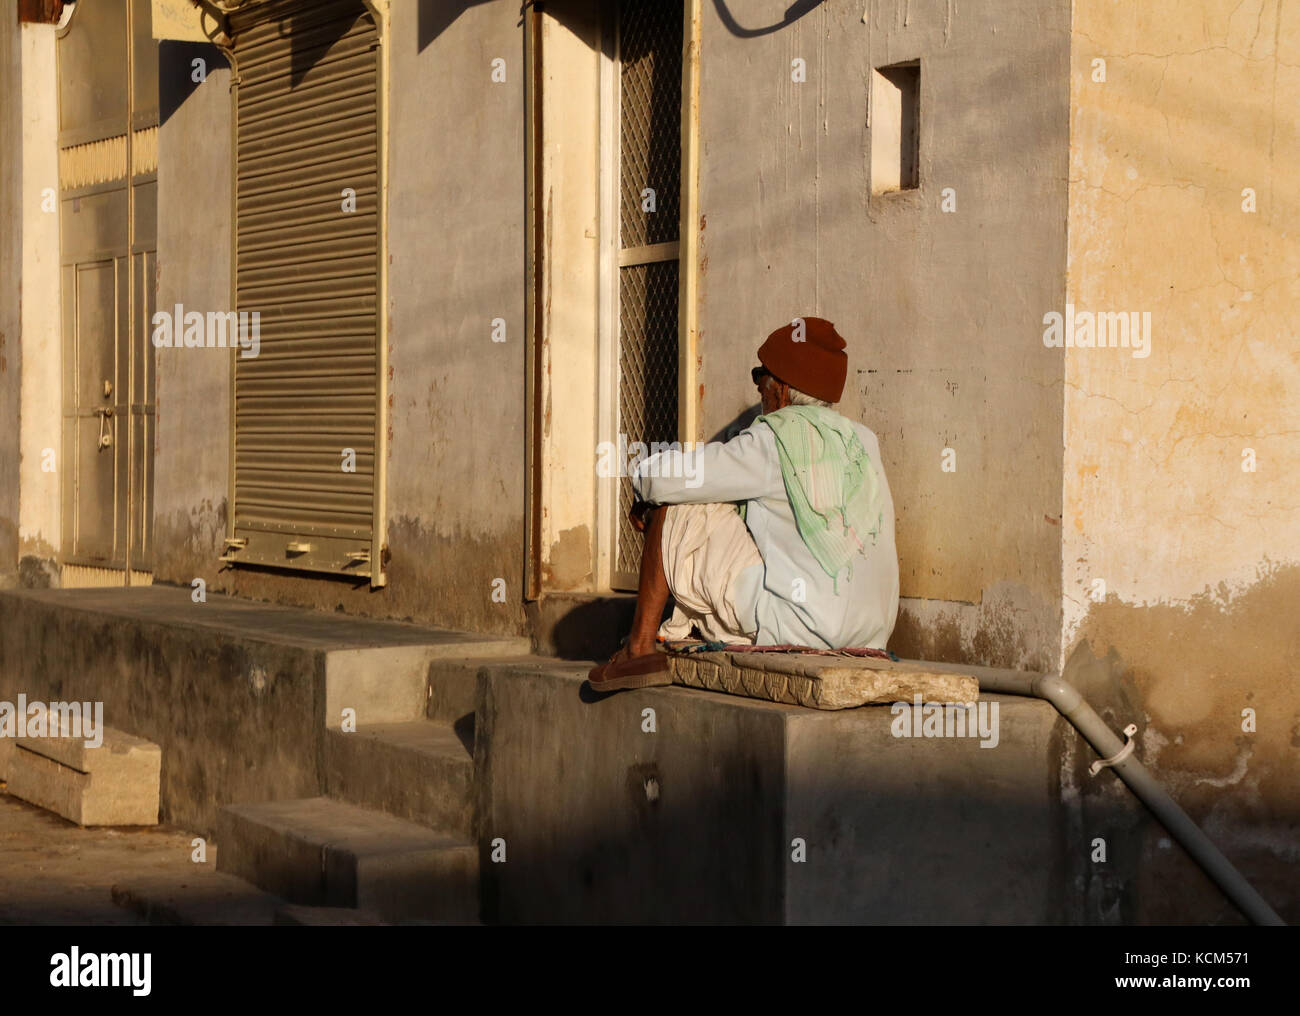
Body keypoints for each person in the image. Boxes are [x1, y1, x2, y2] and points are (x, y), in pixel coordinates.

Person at [587, 317, 899, 691]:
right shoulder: (864, 441)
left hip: (805, 628)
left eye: (759, 377)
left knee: (674, 506)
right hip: (870, 636)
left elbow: (665, 478)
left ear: (781, 389)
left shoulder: (773, 439)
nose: (758, 390)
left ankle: (638, 651)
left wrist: (645, 493)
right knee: (712, 501)